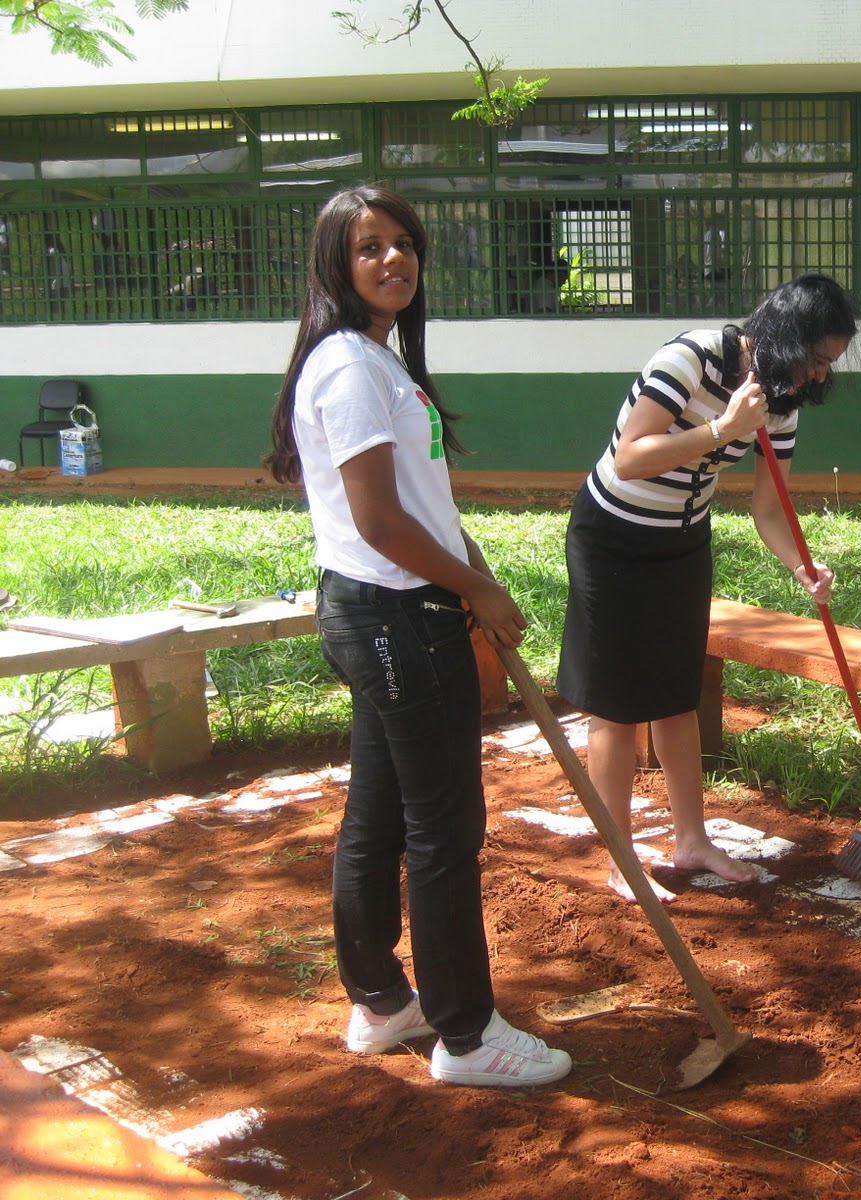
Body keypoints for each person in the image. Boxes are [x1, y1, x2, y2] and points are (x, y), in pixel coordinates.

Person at [264, 185, 571, 1089]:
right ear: (335, 264)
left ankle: (380, 1001)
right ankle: (468, 1037)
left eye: (405, 244)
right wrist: (470, 584)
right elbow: (379, 522)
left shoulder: (374, 359)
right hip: (395, 614)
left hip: (395, 610)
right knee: (443, 831)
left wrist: (475, 572)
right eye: (370, 248)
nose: (393, 259)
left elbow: (424, 507)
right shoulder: (351, 368)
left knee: (382, 814)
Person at [558, 273, 858, 904]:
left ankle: (690, 839)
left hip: (682, 541)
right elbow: (631, 457)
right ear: (787, 336)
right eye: (817, 360)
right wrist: (723, 429)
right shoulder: (688, 358)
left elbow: (771, 508)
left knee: (674, 696)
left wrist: (799, 565)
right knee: (615, 705)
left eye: (830, 364)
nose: (821, 376)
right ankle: (621, 857)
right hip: (612, 536)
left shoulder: (779, 398)